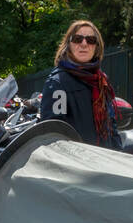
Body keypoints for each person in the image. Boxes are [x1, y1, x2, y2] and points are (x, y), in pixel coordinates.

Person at [42, 20, 121, 148]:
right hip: (78, 164)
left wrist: (119, 156)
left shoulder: (101, 81)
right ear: (68, 44)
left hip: (106, 160)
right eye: (77, 39)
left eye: (90, 40)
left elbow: (111, 126)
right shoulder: (58, 83)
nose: (84, 44)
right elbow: (53, 135)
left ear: (97, 47)